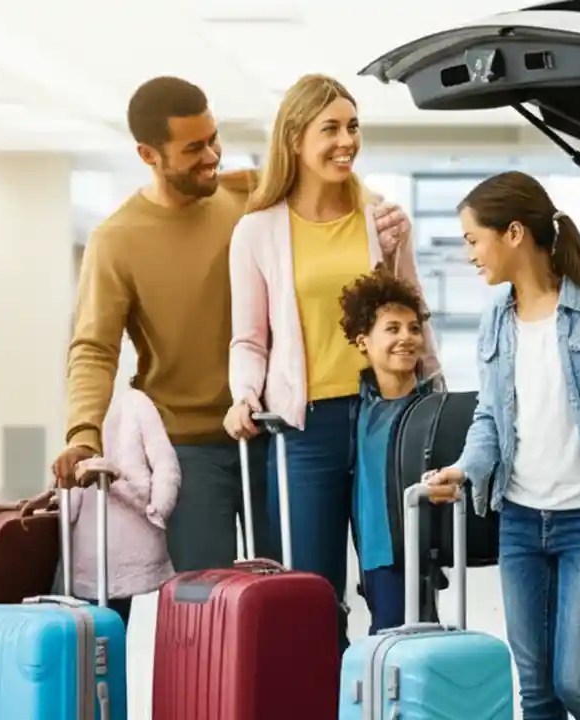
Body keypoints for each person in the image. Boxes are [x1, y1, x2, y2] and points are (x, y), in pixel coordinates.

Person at [53, 75, 412, 574]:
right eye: (193, 148)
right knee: (208, 594)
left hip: (274, 427)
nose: (212, 156)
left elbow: (331, 187)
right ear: (148, 155)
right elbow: (93, 348)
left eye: (214, 138)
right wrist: (83, 434)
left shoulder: (248, 195)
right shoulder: (116, 239)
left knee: (290, 590)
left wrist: (380, 220)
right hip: (190, 442)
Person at [422, 171, 580, 720]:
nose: (469, 255)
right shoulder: (496, 320)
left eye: (473, 239)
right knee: (536, 691)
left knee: (578, 684)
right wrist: (465, 471)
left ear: (513, 232)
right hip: (519, 522)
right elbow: (490, 417)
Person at [224, 73, 442, 648]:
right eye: (331, 129)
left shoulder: (381, 220)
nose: (347, 140)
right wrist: (244, 393)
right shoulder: (257, 231)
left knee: (395, 587)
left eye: (353, 126)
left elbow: (414, 316)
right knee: (312, 596)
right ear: (295, 138)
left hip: (385, 422)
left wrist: (437, 401)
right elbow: (248, 339)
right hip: (304, 430)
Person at [338, 263, 444, 634]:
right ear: (363, 341)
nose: (408, 338)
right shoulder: (357, 409)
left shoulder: (433, 407)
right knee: (388, 637)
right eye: (393, 329)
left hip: (423, 552)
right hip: (376, 554)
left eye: (415, 328)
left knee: (416, 639)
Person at [68, 387, 180, 627]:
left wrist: (158, 508)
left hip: (116, 540)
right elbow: (165, 463)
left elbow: (164, 464)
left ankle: (103, 661)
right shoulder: (86, 415)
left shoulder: (128, 405)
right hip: (96, 544)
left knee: (100, 628)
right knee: (103, 628)